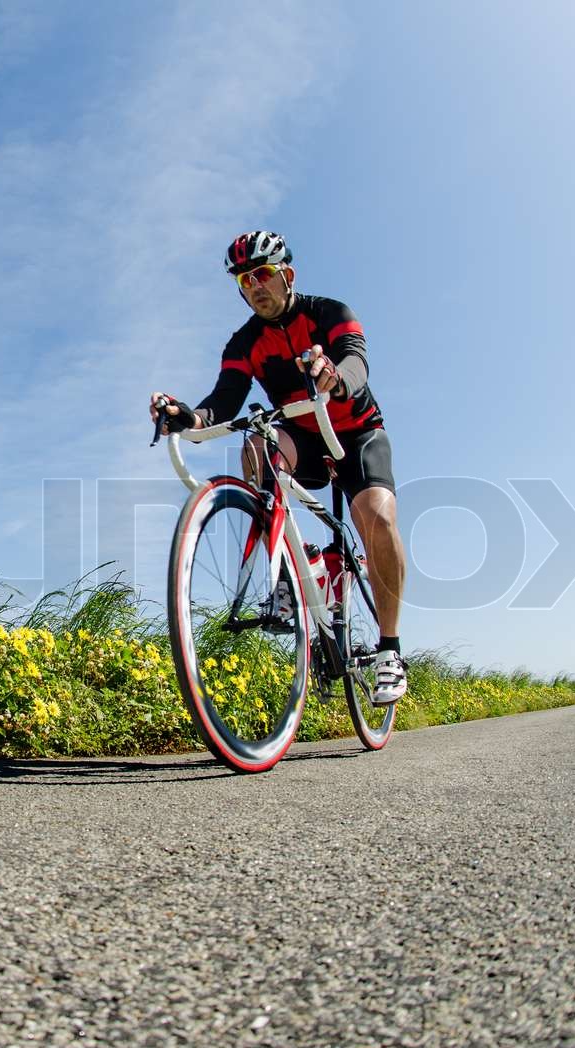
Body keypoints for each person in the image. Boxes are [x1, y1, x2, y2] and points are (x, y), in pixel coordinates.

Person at [149, 230, 408, 704]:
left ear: (286, 275)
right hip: (303, 437)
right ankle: (289, 566)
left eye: (263, 275)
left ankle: (390, 649)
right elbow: (224, 400)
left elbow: (355, 362)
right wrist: (188, 417)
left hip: (355, 433)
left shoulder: (329, 312)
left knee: (376, 516)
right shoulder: (244, 342)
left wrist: (334, 376)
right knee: (256, 443)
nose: (255, 287)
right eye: (244, 281)